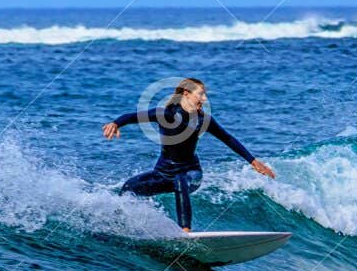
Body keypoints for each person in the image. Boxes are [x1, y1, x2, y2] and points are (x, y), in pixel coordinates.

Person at [104, 78, 275, 232]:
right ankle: (122, 225)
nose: (205, 99)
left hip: (191, 173)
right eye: (201, 94)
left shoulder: (203, 120)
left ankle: (185, 231)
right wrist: (116, 123)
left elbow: (228, 138)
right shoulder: (165, 114)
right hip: (163, 173)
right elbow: (132, 116)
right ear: (186, 94)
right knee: (129, 187)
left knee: (180, 179)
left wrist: (253, 161)